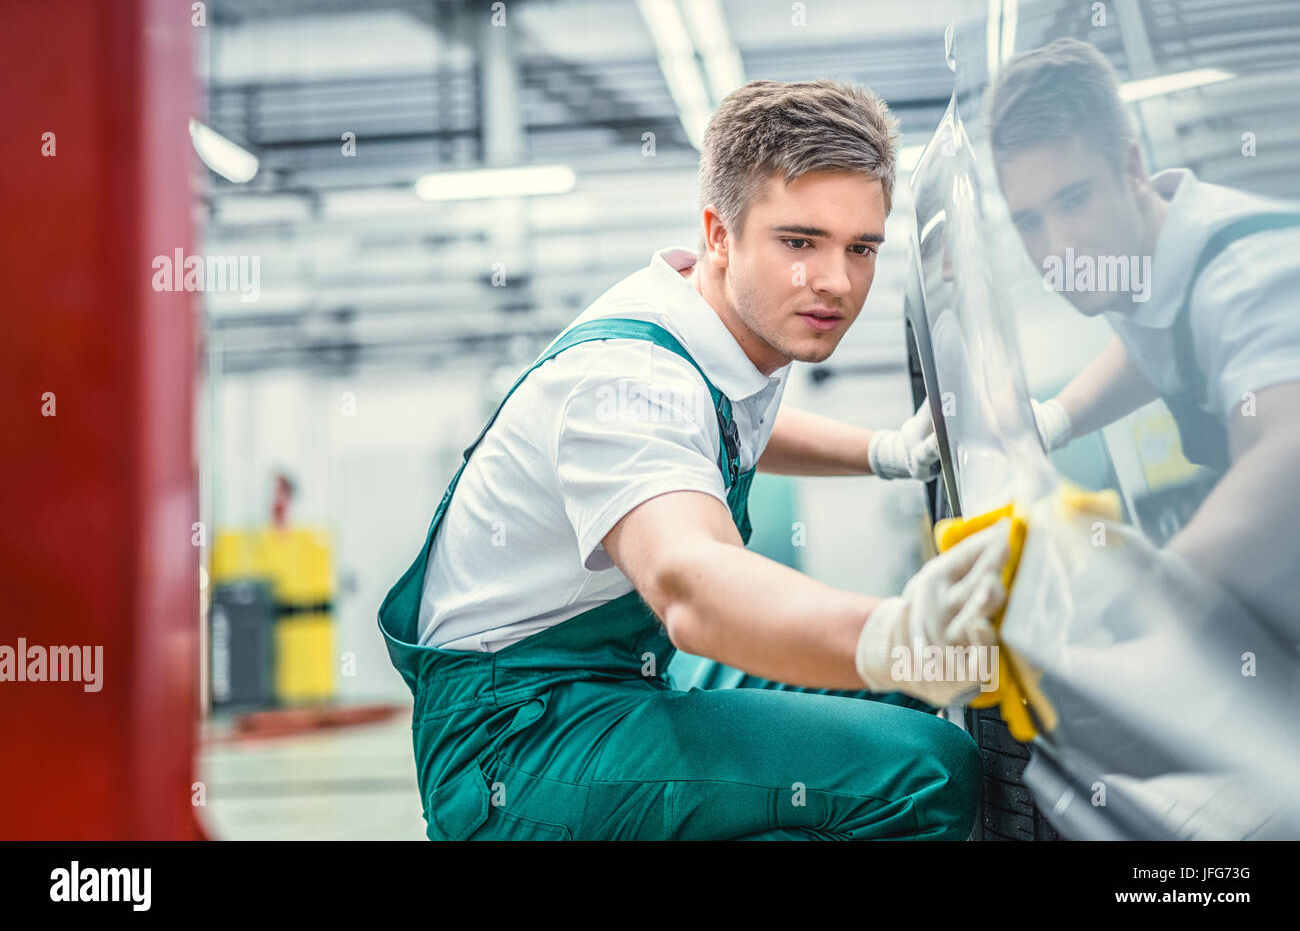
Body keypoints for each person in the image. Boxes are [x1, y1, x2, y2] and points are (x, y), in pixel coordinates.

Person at [379, 79, 1012, 841]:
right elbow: (692, 591)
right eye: (799, 242)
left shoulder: (716, 324)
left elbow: (725, 432)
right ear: (719, 232)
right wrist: (901, 634)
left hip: (610, 675)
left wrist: (883, 452)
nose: (837, 282)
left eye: (862, 247)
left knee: (894, 700)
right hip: (514, 744)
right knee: (924, 768)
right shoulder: (630, 382)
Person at [989, 38, 1300, 645]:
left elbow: (1287, 450)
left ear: (1131, 168)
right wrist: (1051, 421)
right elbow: (1157, 343)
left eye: (1073, 201)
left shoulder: (1242, 277)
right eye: (1028, 221)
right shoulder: (1145, 262)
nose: (1057, 251)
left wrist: (1145, 604)